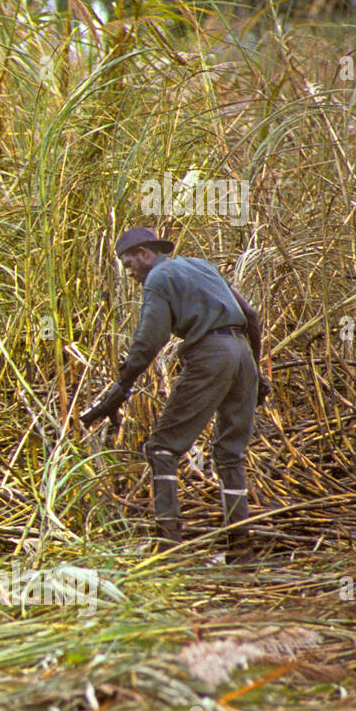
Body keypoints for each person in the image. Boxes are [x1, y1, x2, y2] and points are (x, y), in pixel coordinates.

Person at [81, 228, 270, 549]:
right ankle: (240, 547)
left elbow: (149, 340)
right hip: (241, 354)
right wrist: (255, 371)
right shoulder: (201, 266)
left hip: (211, 355)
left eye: (129, 265)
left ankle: (168, 547)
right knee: (229, 455)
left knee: (162, 450)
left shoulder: (159, 277)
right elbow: (250, 315)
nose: (130, 275)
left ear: (144, 253)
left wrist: (120, 388)